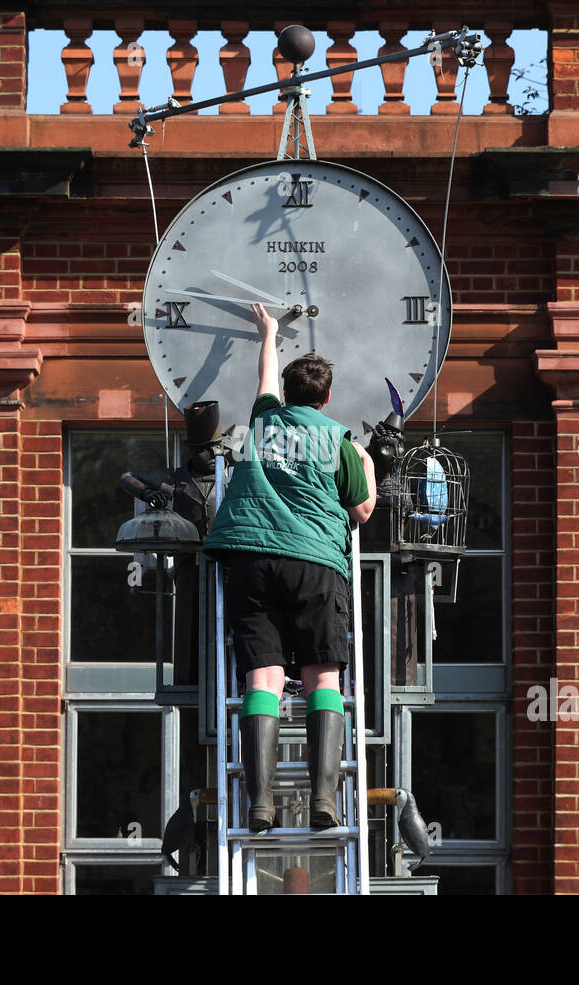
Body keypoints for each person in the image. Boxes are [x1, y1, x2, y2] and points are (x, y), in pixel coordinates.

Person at [203, 302, 377, 831]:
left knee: (263, 678)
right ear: (327, 398)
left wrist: (269, 332)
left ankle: (259, 803)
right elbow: (362, 511)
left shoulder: (263, 419)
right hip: (316, 563)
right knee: (323, 675)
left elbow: (264, 378)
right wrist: (366, 462)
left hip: (252, 560)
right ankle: (323, 797)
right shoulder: (338, 438)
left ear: (286, 391)